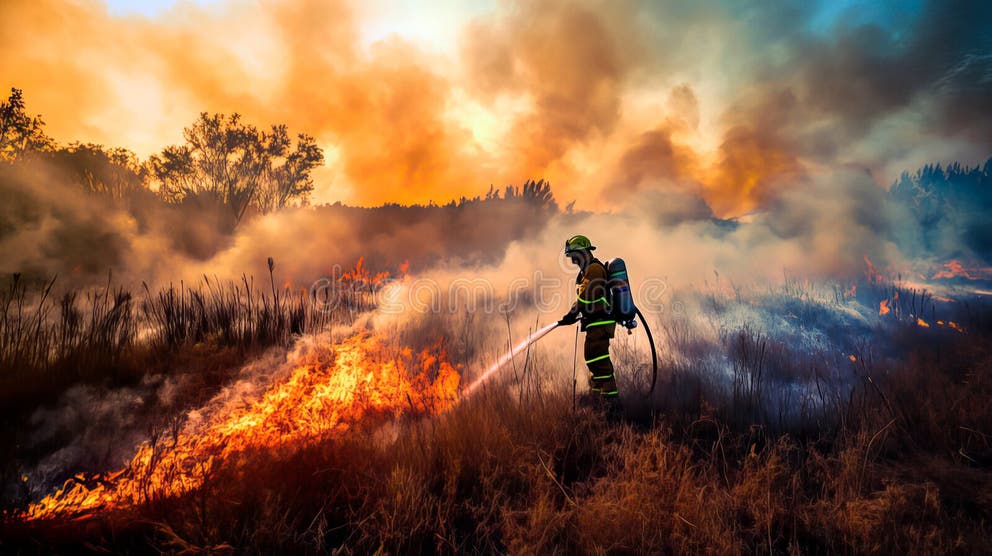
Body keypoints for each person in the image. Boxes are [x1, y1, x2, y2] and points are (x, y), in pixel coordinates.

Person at [557, 235, 620, 406]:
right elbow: (584, 297)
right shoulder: (587, 271)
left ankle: (611, 404)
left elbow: (586, 296)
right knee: (593, 360)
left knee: (599, 362)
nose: (573, 261)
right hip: (595, 323)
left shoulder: (594, 270)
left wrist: (572, 312)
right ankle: (597, 400)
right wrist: (572, 313)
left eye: (575, 256)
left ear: (584, 252)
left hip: (600, 322)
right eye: (571, 257)